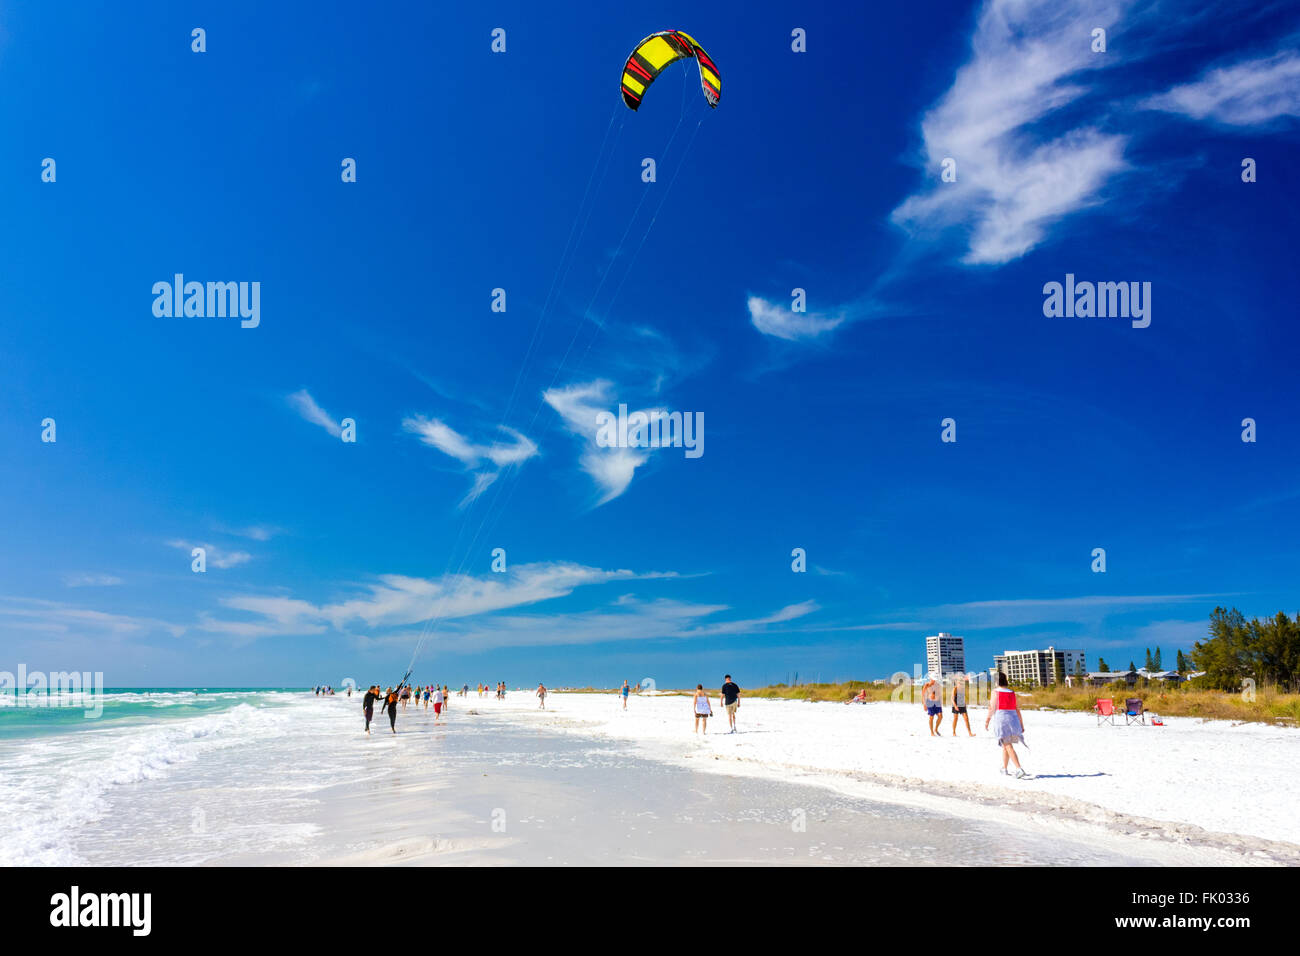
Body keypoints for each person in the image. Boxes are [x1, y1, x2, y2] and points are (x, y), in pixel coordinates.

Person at [985, 672, 1029, 778]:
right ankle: (1004, 768)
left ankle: (1019, 769)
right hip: (1013, 720)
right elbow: (1017, 709)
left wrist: (987, 720)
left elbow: (992, 708)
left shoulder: (995, 692)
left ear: (996, 681)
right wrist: (1021, 724)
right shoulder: (1012, 692)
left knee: (1008, 745)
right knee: (1005, 745)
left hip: (1002, 720)